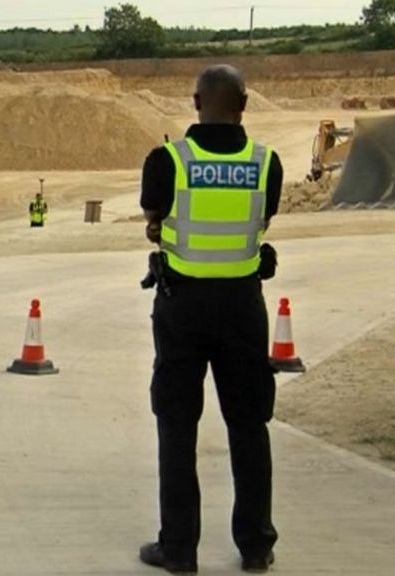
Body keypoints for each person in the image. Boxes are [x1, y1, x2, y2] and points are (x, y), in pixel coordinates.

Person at [138, 65, 283, 575]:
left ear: (196, 101)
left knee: (177, 426)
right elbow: (260, 221)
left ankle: (178, 549)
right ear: (244, 104)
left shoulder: (167, 160)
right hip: (244, 307)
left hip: (183, 307)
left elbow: (153, 222)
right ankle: (257, 546)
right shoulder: (267, 163)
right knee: (249, 424)